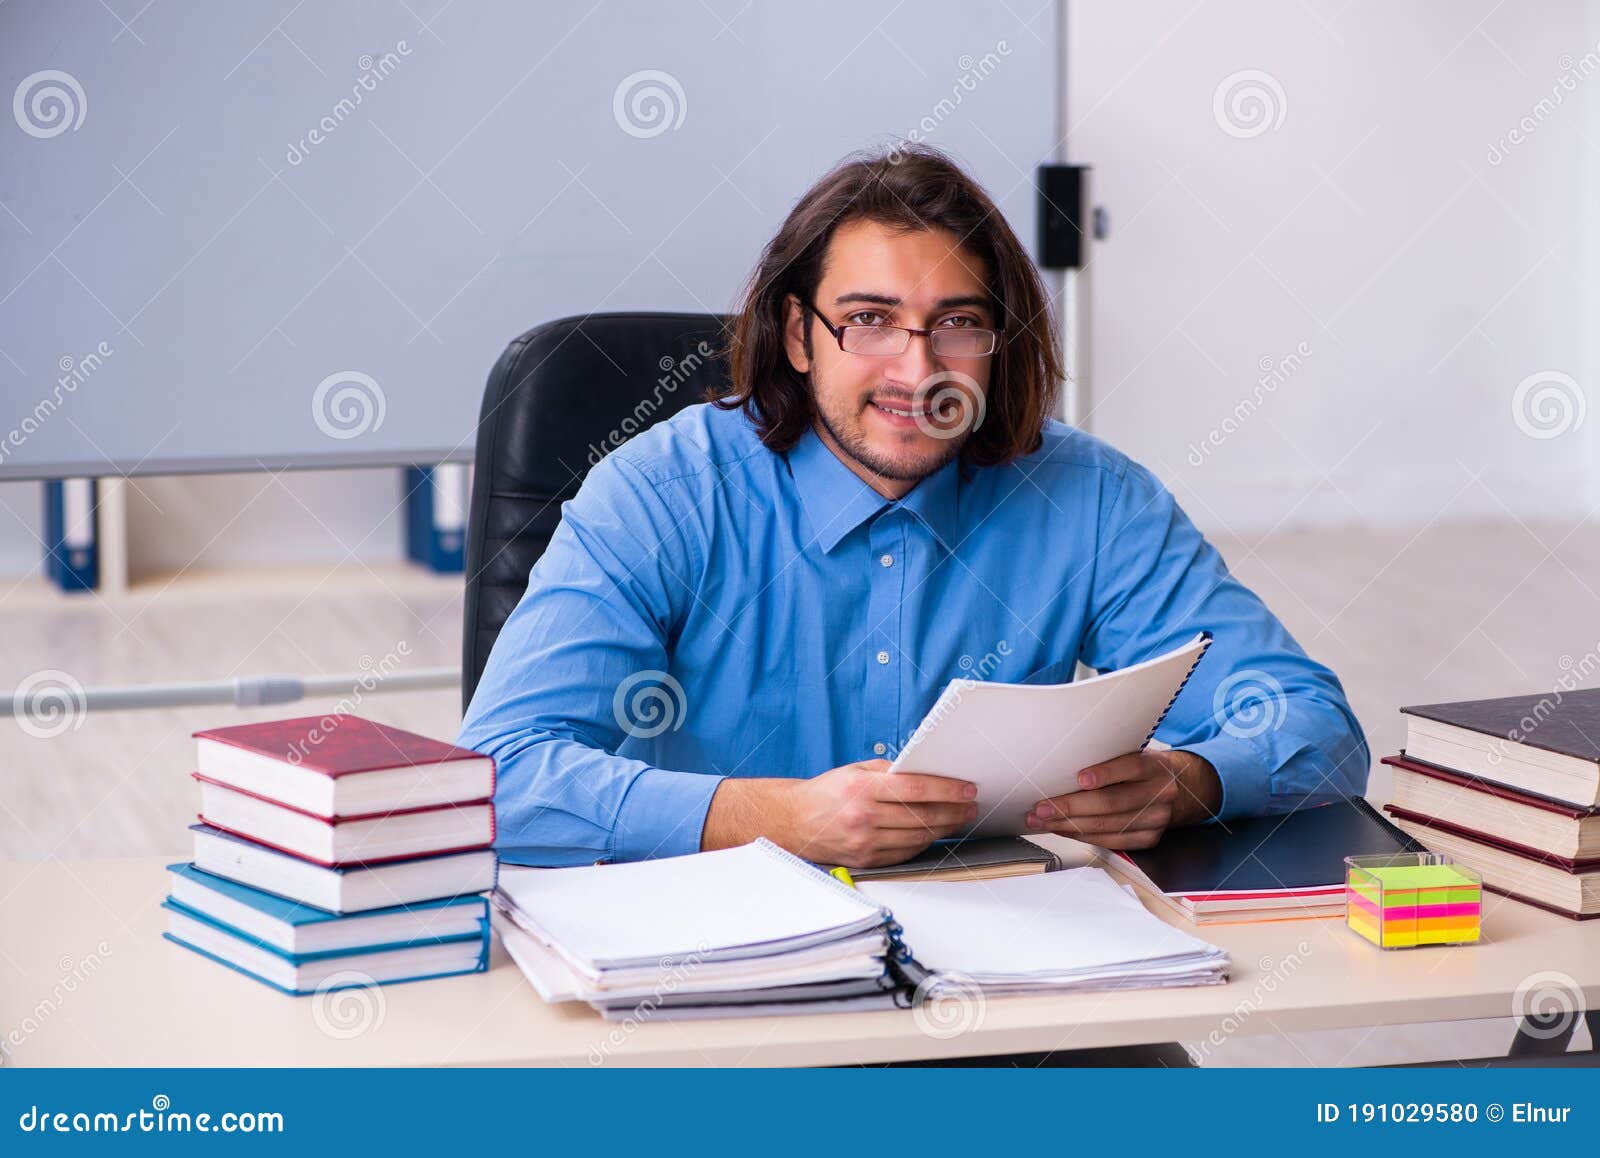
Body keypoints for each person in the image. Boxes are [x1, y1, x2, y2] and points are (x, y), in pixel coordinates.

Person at [458, 145, 1369, 868]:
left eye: (959, 324)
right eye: (869, 320)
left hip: (1005, 979)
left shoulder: (1088, 495)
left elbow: (1310, 723)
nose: (918, 369)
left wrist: (1186, 781)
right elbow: (499, 775)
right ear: (799, 337)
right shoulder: (662, 492)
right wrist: (776, 815)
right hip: (717, 979)